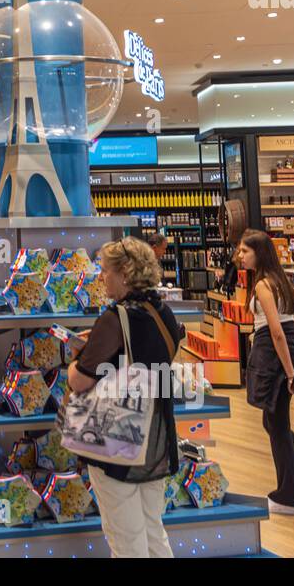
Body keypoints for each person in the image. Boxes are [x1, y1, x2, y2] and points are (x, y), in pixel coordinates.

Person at [67, 237, 185, 558]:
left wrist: (76, 359)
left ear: (124, 273)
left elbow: (79, 381)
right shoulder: (164, 313)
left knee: (125, 539)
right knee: (152, 529)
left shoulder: (115, 318)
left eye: (105, 271)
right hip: (156, 437)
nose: (101, 277)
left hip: (116, 439)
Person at [237, 229, 294, 515]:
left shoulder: (264, 285)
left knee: (275, 425)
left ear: (259, 253)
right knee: (273, 423)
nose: (239, 256)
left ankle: (290, 494)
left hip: (274, 356)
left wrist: (290, 373)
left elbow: (276, 332)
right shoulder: (283, 281)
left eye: (244, 251)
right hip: (286, 351)